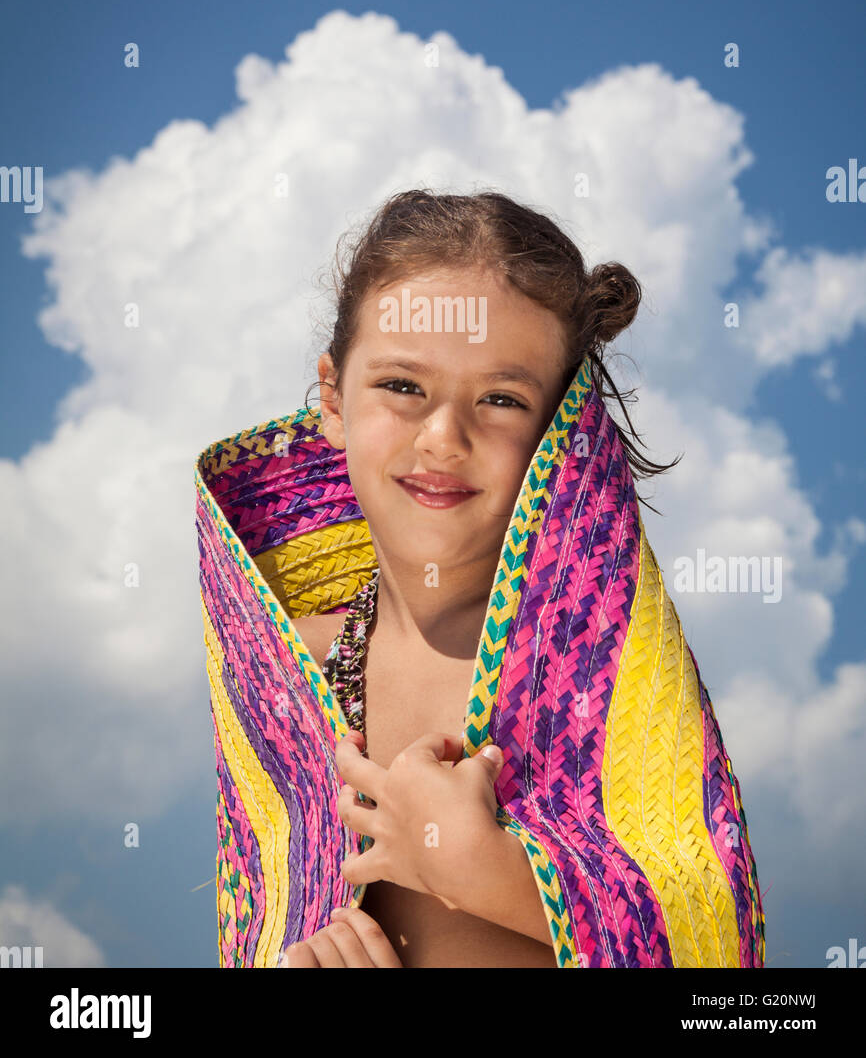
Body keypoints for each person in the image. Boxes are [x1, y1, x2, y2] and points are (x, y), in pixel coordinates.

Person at [197, 186, 764, 969]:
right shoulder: (284, 675)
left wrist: (484, 873)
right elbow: (257, 927)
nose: (443, 437)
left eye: (501, 398)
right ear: (332, 396)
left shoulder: (607, 673)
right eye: (402, 386)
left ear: (560, 429)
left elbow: (715, 951)